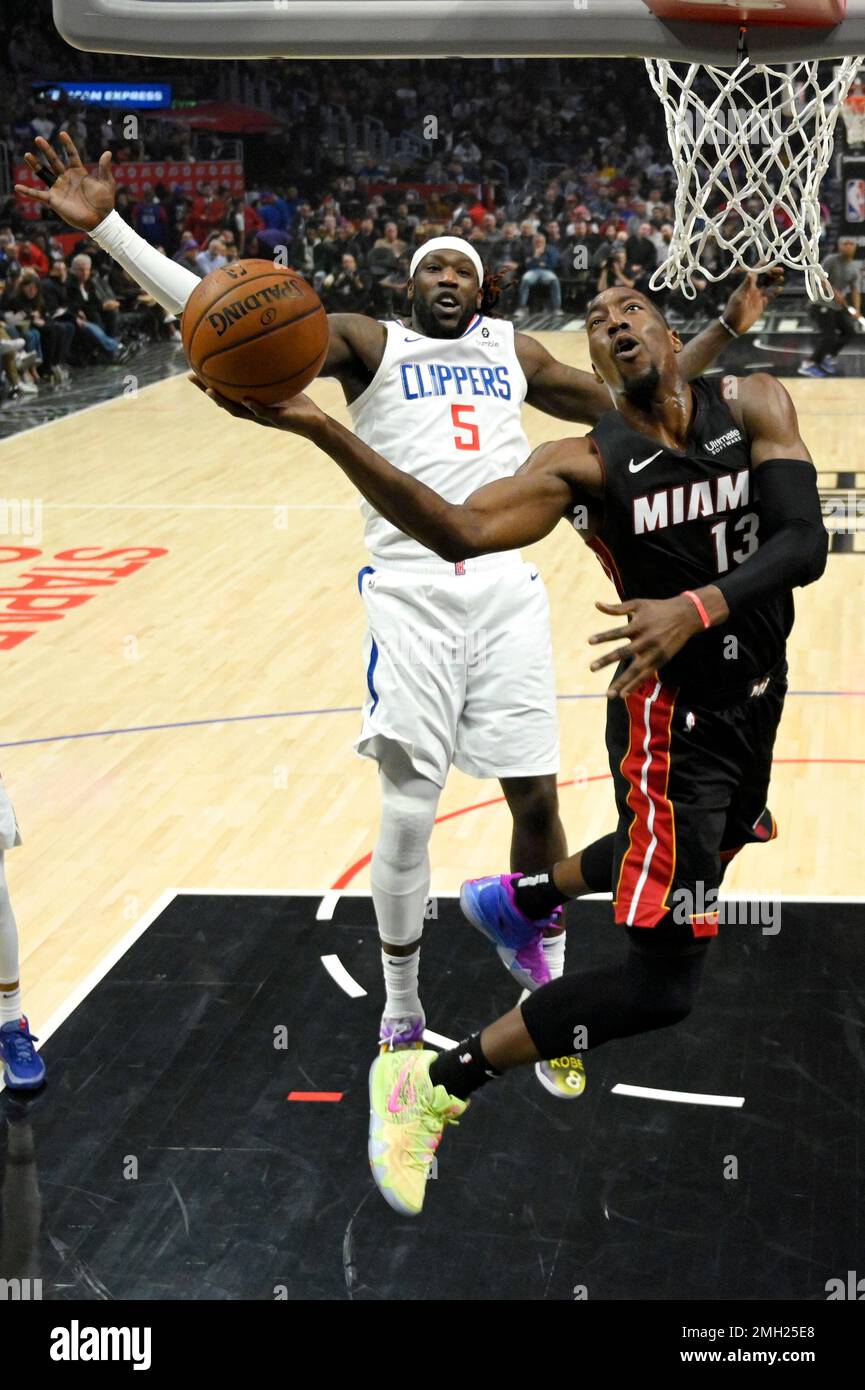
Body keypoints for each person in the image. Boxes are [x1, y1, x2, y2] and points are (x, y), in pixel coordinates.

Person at [15, 133, 774, 1106]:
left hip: (504, 592)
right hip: (411, 598)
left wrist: (719, 328)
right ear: (409, 288)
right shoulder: (366, 341)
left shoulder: (513, 350)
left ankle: (537, 964)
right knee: (408, 811)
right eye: (433, 267)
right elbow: (220, 312)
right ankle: (401, 1007)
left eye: (464, 265)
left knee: (535, 806)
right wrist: (113, 229)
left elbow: (637, 401)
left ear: (484, 286)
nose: (450, 275)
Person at [201, 284, 828, 1217]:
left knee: (701, 842)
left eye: (630, 311)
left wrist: (695, 608)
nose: (616, 326)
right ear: (593, 362)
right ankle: (437, 1084)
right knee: (663, 989)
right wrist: (320, 431)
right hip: (674, 734)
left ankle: (521, 896)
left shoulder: (753, 403)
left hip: (754, 702)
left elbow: (804, 543)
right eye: (598, 323)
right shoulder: (581, 464)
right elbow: (456, 530)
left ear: (664, 329)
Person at [799, 237, 862, 378]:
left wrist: (856, 310)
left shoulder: (853, 269)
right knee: (829, 336)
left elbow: (855, 291)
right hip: (820, 304)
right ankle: (808, 364)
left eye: (851, 244)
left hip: (836, 307)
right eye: (845, 244)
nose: (848, 246)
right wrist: (833, 292)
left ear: (855, 247)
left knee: (849, 331)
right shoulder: (831, 260)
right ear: (840, 247)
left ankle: (828, 357)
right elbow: (820, 280)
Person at [516, 233, 562, 314]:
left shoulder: (550, 249)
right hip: (533, 271)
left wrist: (544, 264)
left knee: (554, 280)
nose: (538, 243)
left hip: (547, 271)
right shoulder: (529, 250)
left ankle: (556, 307)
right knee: (525, 280)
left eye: (540, 241)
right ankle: (522, 307)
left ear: (544, 242)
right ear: (533, 242)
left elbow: (553, 263)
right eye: (536, 242)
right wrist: (536, 256)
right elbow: (528, 265)